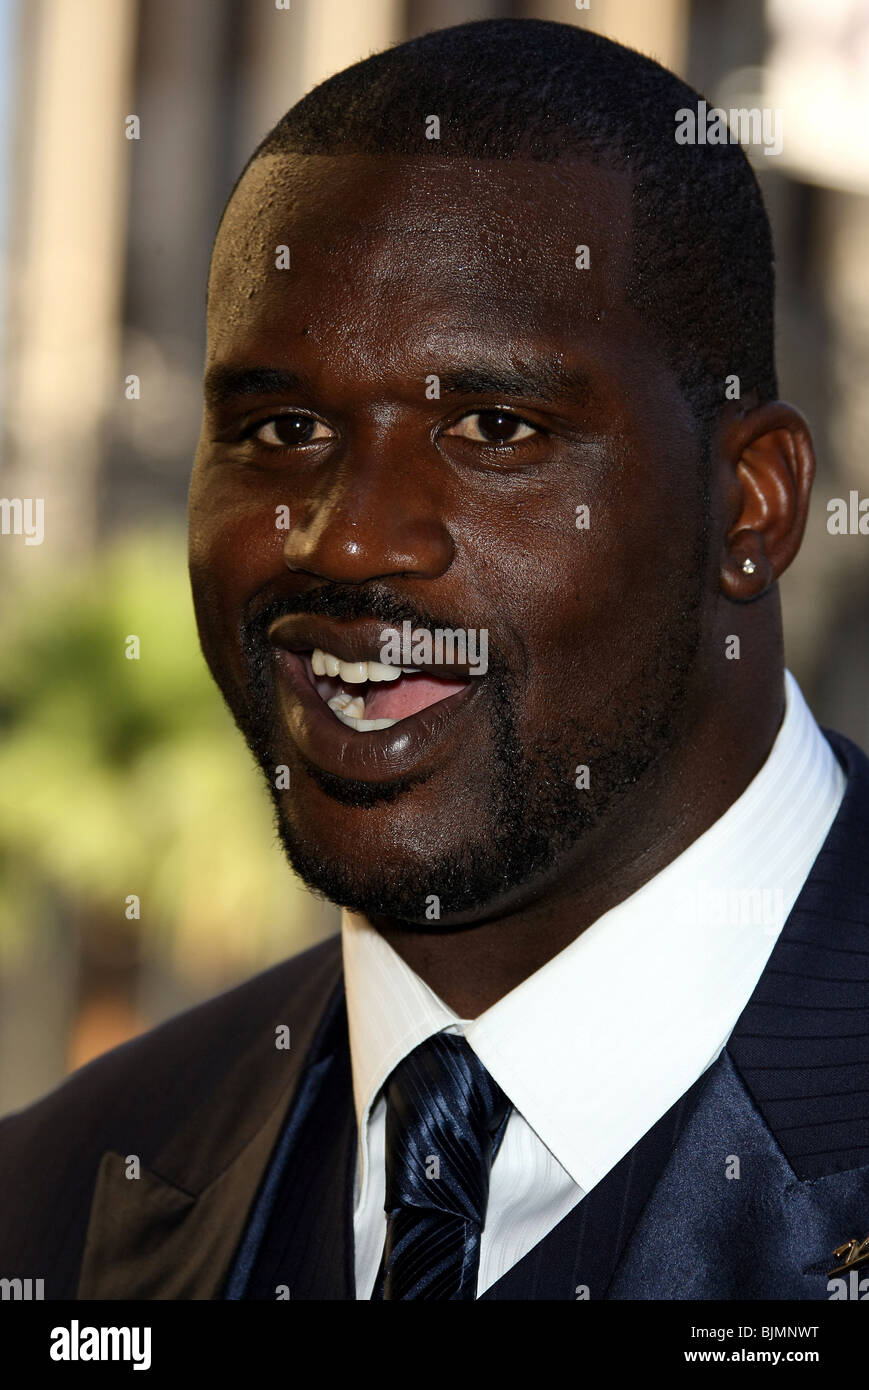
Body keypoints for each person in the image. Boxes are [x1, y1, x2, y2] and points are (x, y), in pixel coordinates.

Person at [2, 18, 868, 1302]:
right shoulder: (54, 1204)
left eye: (493, 426)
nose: (345, 535)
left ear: (750, 505)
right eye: (281, 426)